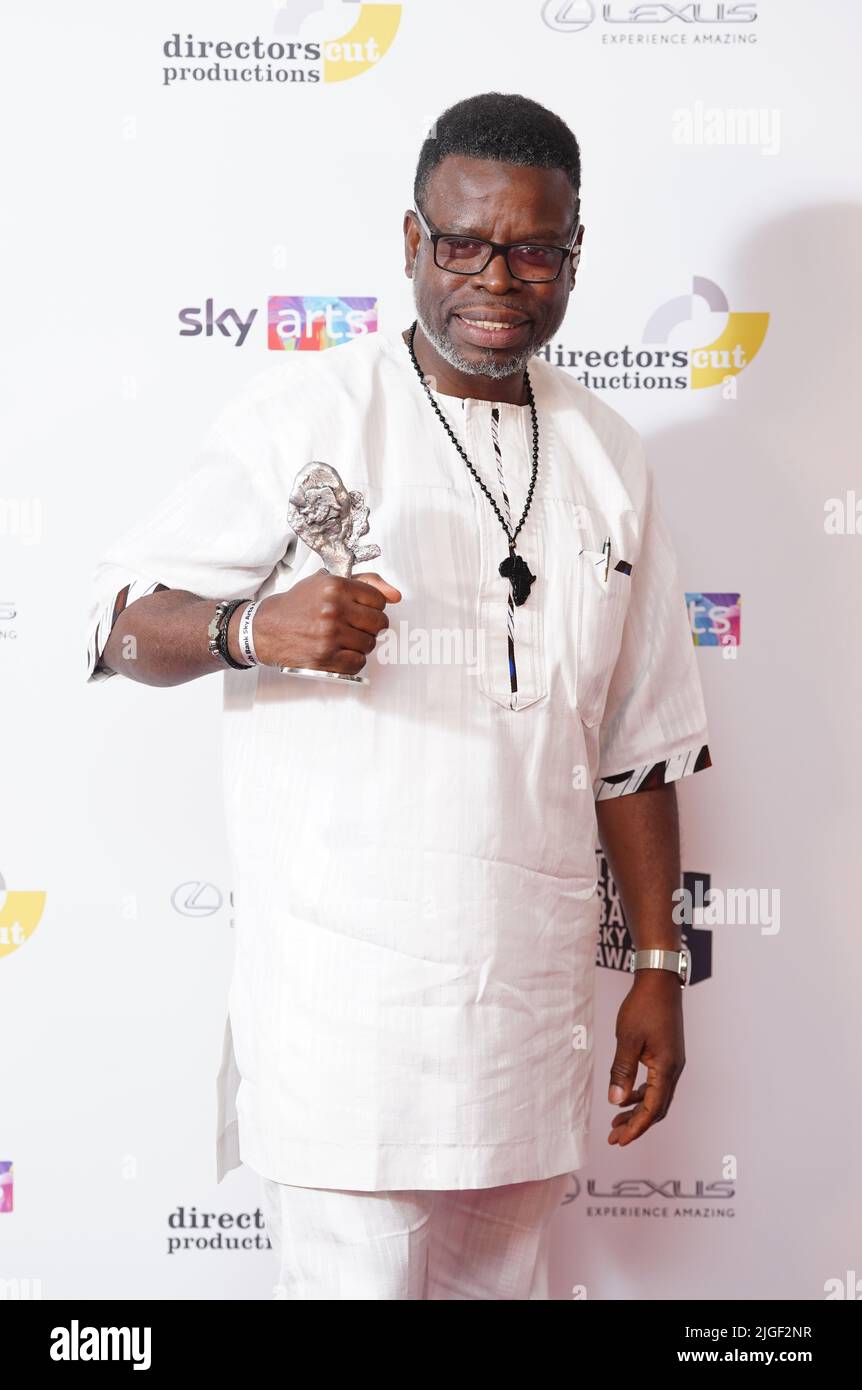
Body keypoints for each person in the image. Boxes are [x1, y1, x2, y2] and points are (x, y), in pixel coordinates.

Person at [85, 91, 712, 1301]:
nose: (496, 276)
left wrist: (655, 963)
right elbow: (118, 628)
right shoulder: (308, 419)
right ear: (411, 243)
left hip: (524, 1015)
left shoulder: (608, 454)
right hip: (344, 1022)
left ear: (573, 256)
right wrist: (252, 626)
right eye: (463, 243)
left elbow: (638, 744)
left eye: (534, 249)